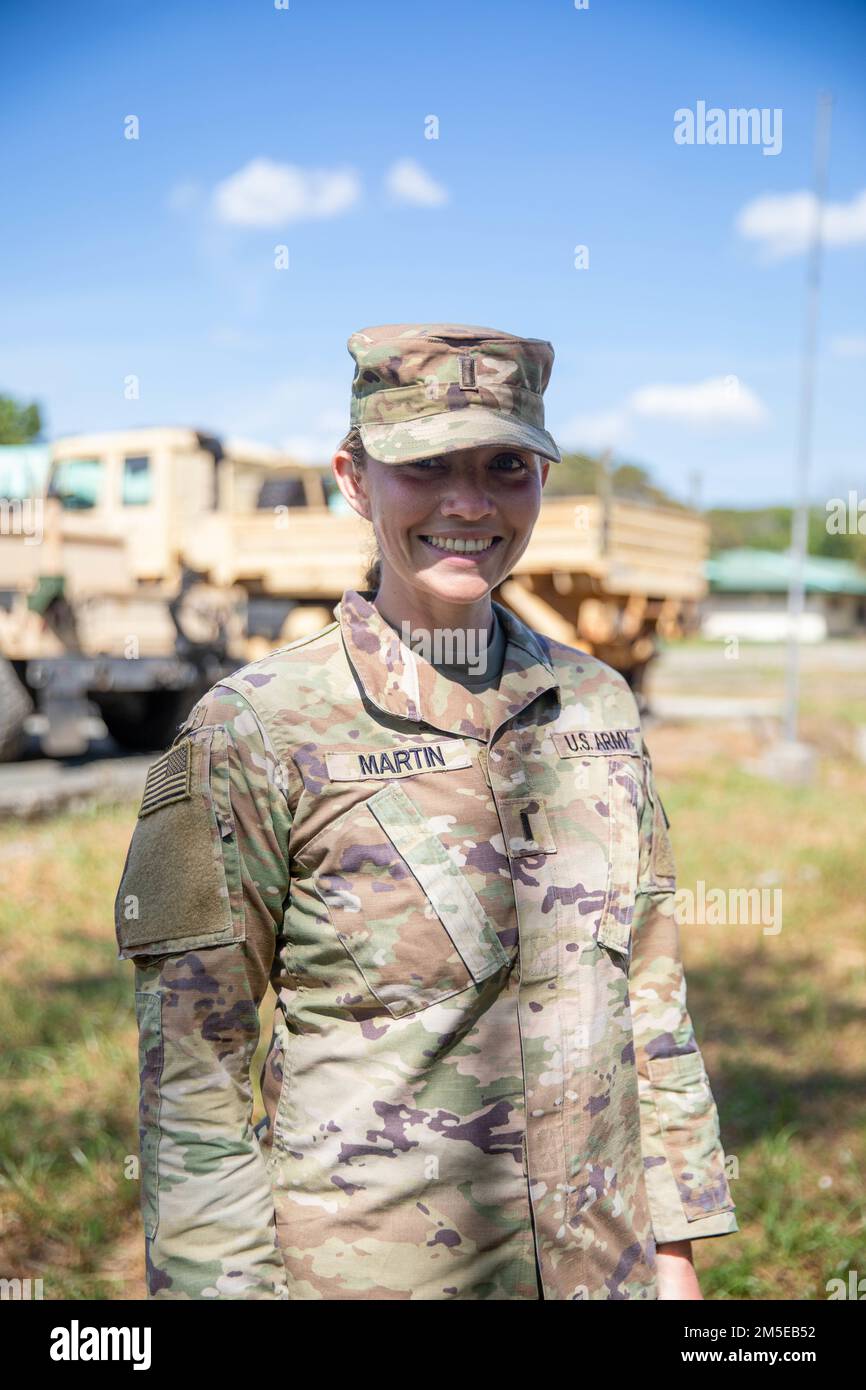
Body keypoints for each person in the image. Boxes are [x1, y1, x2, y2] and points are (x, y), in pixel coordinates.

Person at [114, 322, 738, 1301]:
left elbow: (650, 997)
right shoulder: (252, 729)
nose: (468, 502)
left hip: (598, 1269)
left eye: (504, 465)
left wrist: (673, 1246)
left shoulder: (597, 707)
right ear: (353, 479)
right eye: (425, 465)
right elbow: (196, 1076)